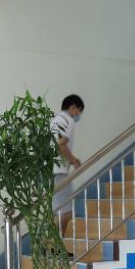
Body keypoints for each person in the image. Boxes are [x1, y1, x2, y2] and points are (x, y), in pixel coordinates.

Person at [50, 94, 84, 239]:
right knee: (67, 212)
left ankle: (49, 245)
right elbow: (61, 144)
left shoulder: (55, 120)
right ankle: (50, 243)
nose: (78, 115)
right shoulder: (68, 120)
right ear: (73, 107)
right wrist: (74, 160)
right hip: (58, 172)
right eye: (79, 111)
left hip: (49, 171)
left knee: (57, 211)